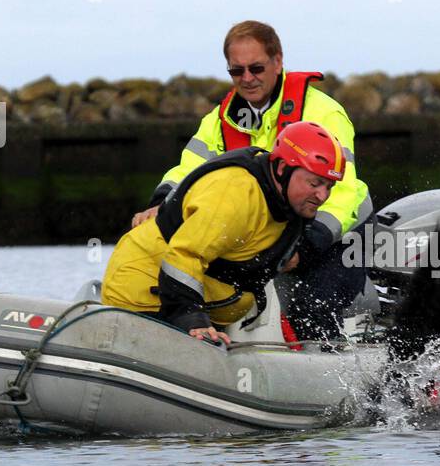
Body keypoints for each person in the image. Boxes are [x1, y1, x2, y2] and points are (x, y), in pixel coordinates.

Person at [131, 20, 372, 339]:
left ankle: (327, 374)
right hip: (269, 232)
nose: (247, 78)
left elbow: (342, 191)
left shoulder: (324, 114)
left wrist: (307, 245)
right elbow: (190, 171)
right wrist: (162, 204)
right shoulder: (221, 119)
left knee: (311, 306)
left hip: (337, 233)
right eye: (236, 71)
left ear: (278, 61)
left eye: (256, 68)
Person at [103, 122, 345, 345]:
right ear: (282, 168)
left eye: (329, 187)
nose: (322, 196)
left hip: (203, 304)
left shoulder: (289, 204)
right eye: (314, 184)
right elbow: (184, 256)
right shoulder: (236, 194)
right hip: (145, 294)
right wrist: (191, 319)